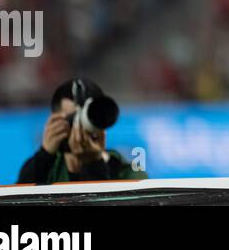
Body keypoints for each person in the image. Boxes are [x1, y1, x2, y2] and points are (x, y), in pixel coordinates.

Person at [17, 78, 146, 185]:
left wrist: (94, 164)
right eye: (72, 119)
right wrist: (44, 156)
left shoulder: (128, 175)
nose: (80, 128)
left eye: (87, 118)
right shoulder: (45, 170)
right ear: (54, 123)